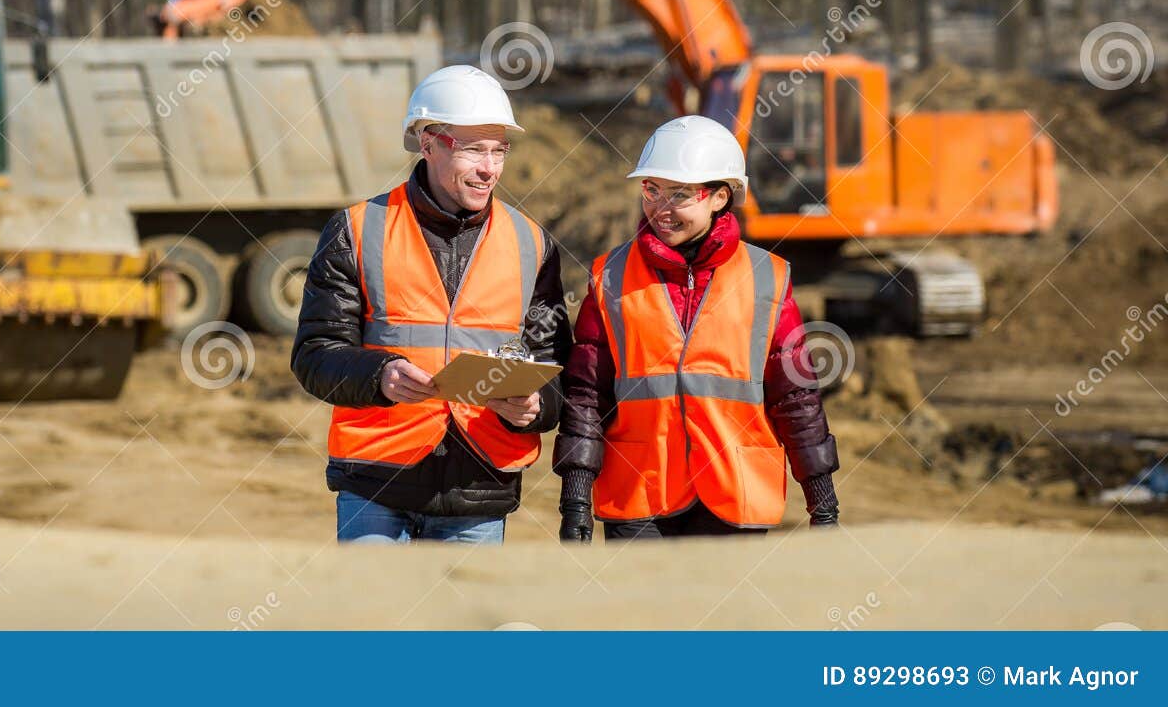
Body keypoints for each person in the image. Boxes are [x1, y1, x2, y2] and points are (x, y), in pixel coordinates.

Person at [291, 65, 570, 543]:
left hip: (478, 488)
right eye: (474, 149)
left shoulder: (532, 243)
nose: (490, 168)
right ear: (429, 143)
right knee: (375, 619)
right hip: (378, 481)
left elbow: (556, 369)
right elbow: (315, 354)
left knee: (462, 621)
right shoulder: (357, 230)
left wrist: (536, 407)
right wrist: (379, 377)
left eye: (498, 150)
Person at [555, 116, 840, 541]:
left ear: (720, 197)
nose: (660, 208)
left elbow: (795, 397)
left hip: (733, 495)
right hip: (639, 496)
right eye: (651, 189)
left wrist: (822, 501)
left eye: (679, 194)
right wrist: (575, 498)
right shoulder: (610, 276)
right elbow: (586, 396)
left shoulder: (767, 278)